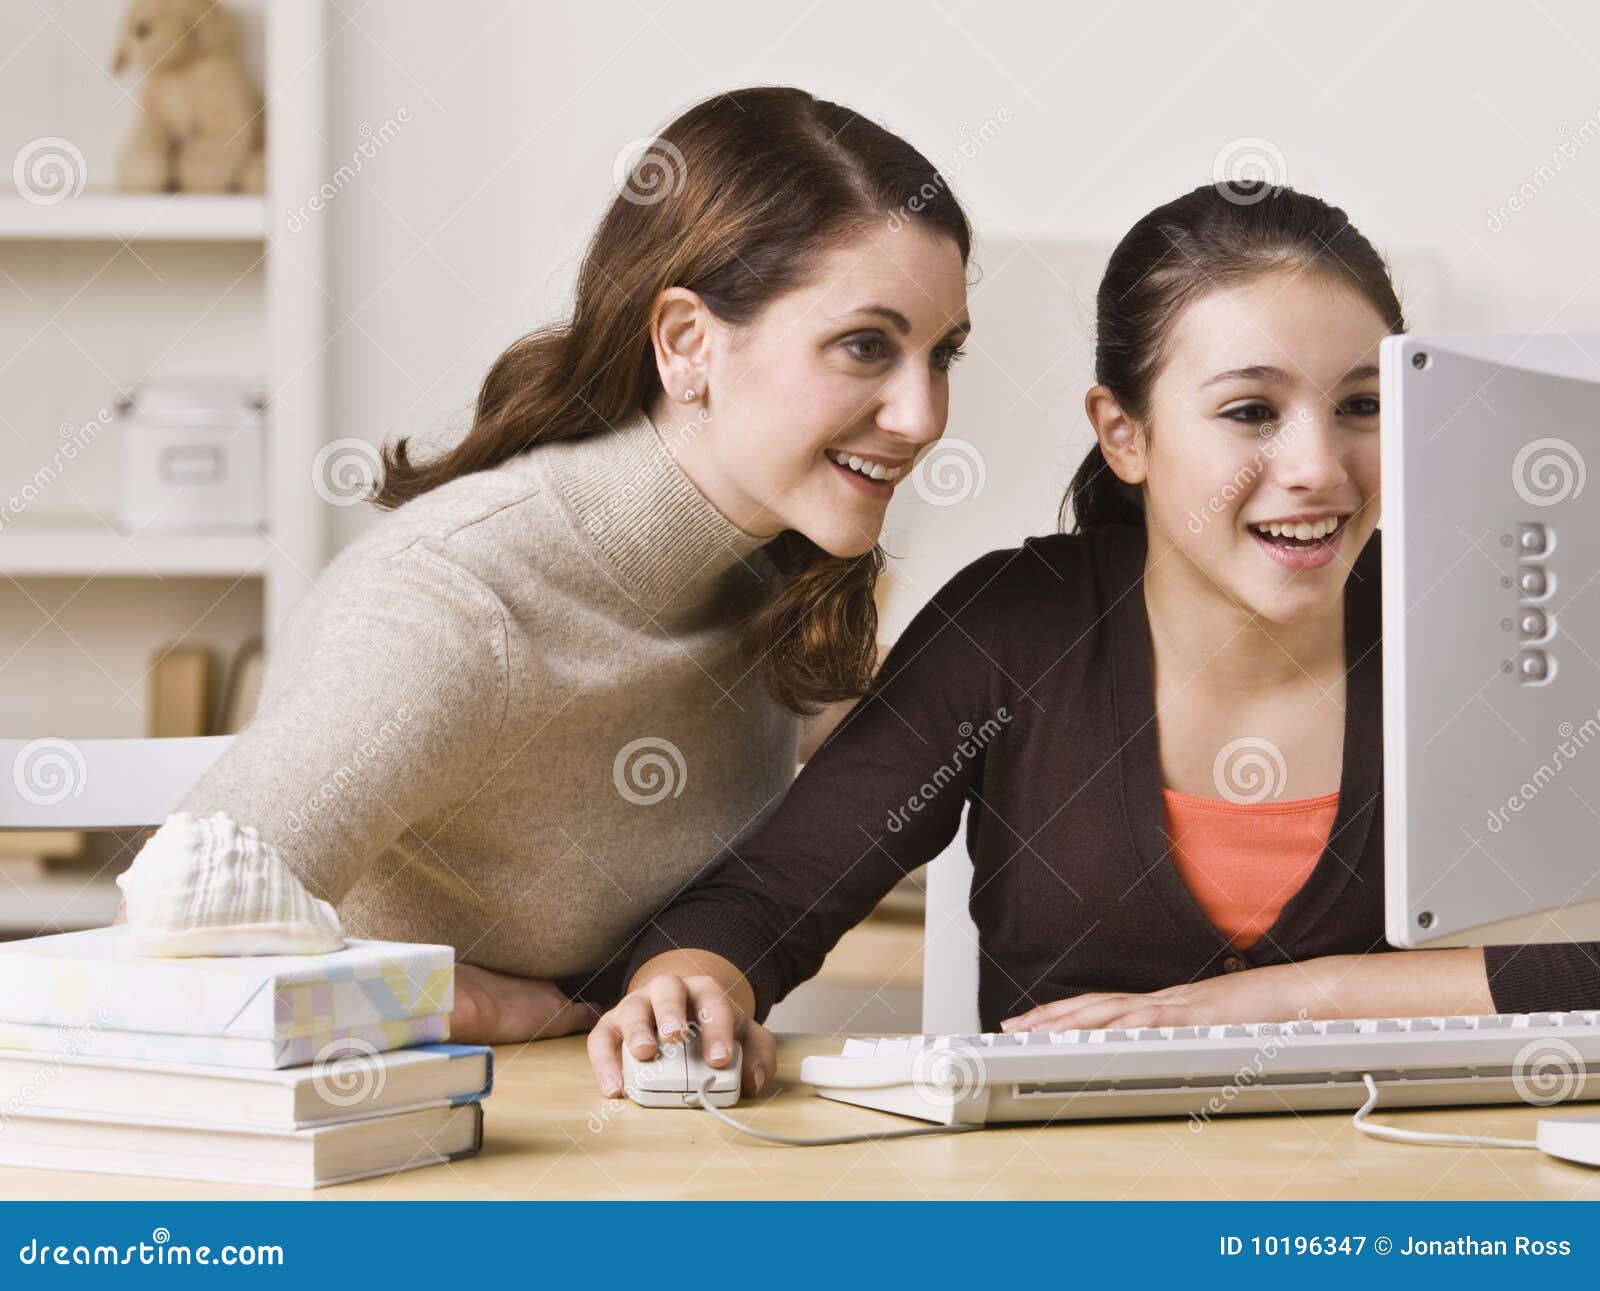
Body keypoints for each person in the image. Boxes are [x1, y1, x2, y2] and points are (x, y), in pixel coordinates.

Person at [587, 181, 1600, 1099]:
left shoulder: (1501, 629)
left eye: (1360, 407)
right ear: (1124, 433)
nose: (1316, 467)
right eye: (1251, 411)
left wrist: (1279, 1001)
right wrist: (689, 988)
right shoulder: (1012, 630)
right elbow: (767, 899)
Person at [152, 86, 973, 1043]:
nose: (922, 419)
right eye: (865, 346)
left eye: (941, 355)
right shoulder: (456, 601)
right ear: (687, 344)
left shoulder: (768, 574)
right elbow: (178, 934)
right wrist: (467, 1004)